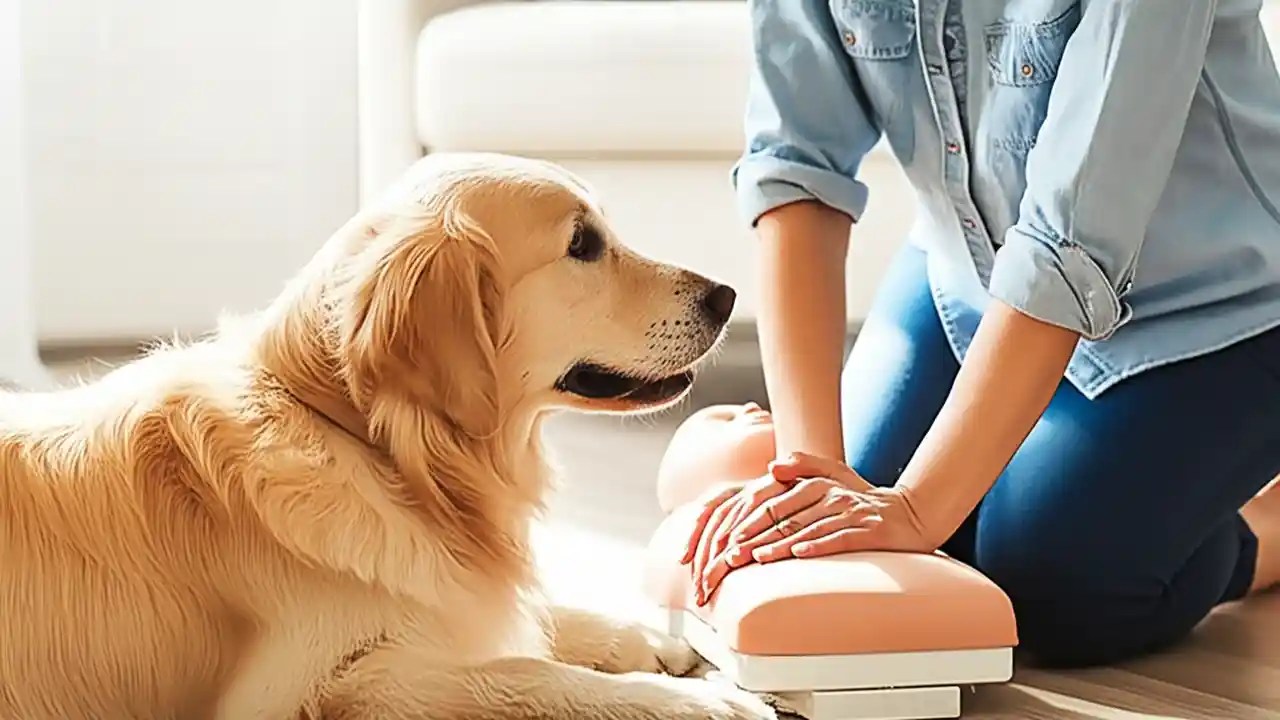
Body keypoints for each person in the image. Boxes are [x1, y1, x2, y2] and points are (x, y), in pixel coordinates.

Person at [679, 0, 1280, 668]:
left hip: (1221, 306)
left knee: (1048, 585)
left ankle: (1264, 525)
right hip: (968, 277)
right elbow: (796, 165)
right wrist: (809, 481)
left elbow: (1072, 233)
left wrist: (913, 509)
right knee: (865, 526)